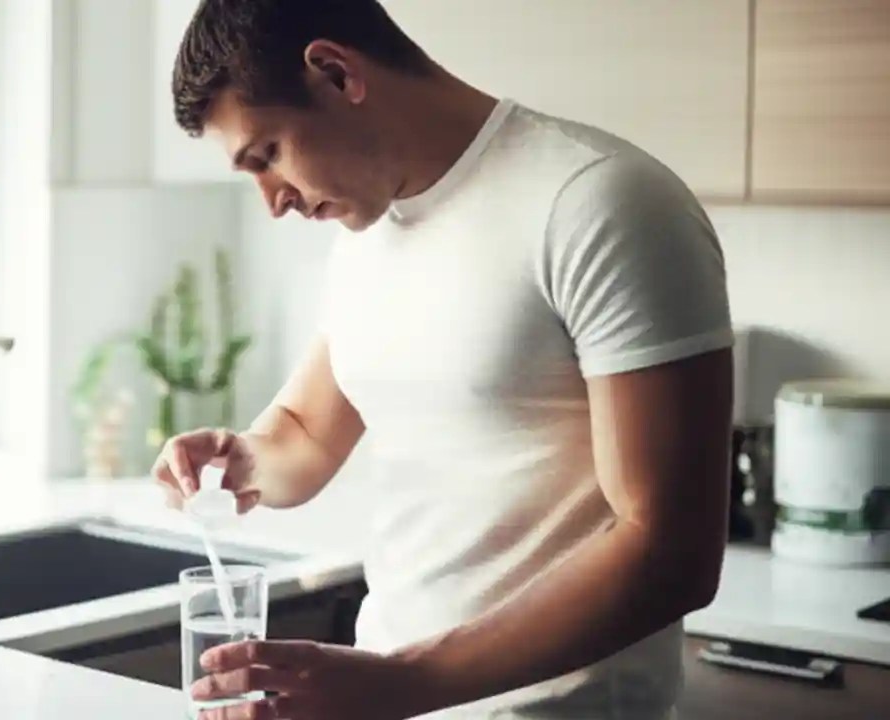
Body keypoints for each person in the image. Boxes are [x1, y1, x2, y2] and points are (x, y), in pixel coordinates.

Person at [153, 1, 734, 718]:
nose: (272, 202)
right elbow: (303, 434)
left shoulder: (598, 202)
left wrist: (402, 682)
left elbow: (668, 551)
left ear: (336, 73)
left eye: (266, 154)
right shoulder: (365, 226)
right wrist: (237, 460)